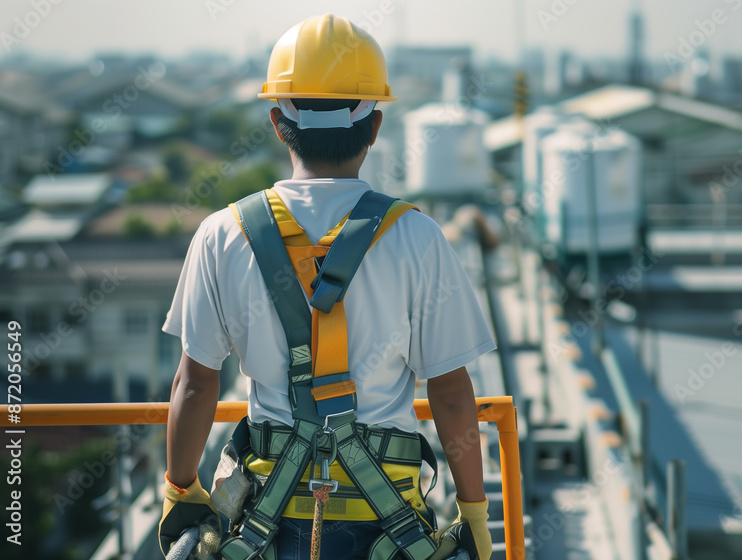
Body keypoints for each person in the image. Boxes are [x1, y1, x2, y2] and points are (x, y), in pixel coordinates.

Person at [157, 13, 495, 560]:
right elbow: (451, 392)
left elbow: (195, 385)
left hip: (264, 525)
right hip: (389, 532)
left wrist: (180, 490)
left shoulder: (222, 234)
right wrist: (473, 514)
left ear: (276, 120)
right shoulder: (417, 237)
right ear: (375, 127)